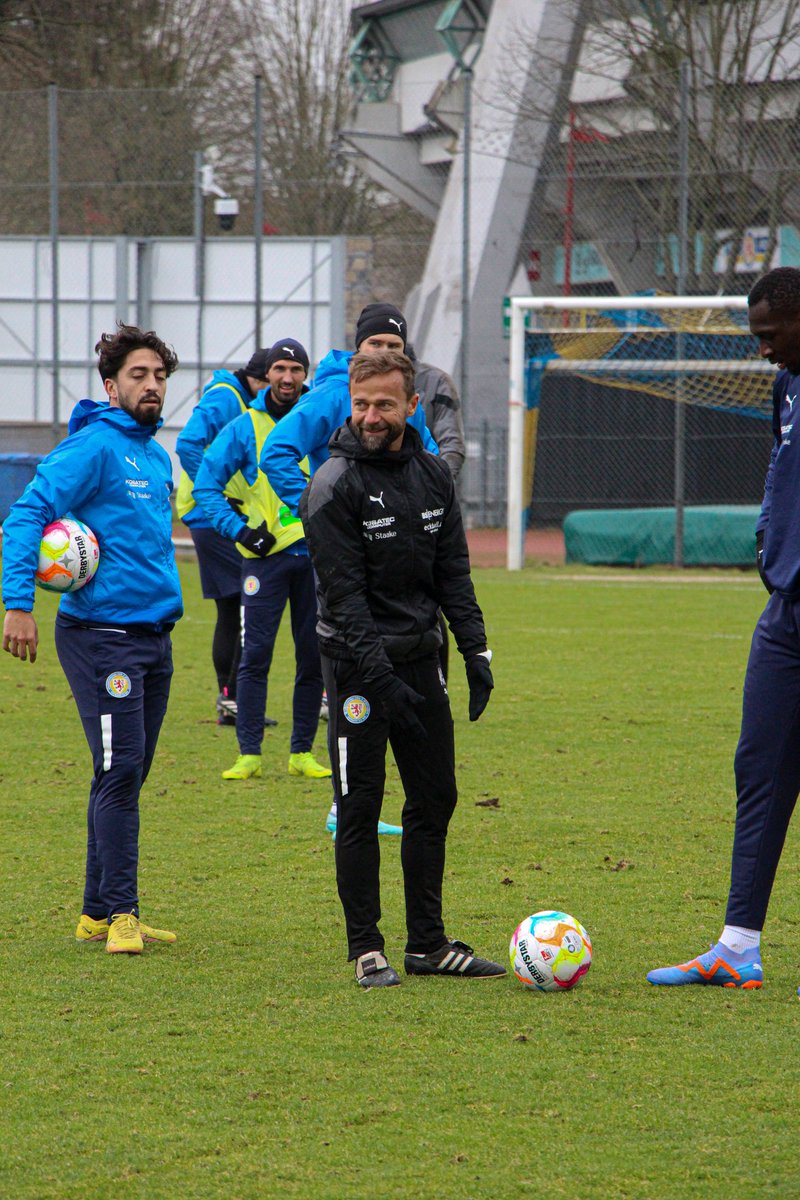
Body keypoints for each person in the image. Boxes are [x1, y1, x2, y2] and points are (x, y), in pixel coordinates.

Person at [299, 349, 504, 988]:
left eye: (385, 405)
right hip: (359, 672)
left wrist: (475, 650)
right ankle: (366, 947)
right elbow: (344, 599)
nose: (371, 417)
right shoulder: (333, 485)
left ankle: (429, 944)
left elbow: (452, 573)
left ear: (411, 406)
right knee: (358, 804)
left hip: (422, 663)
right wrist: (380, 678)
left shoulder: (432, 477)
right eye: (361, 405)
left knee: (435, 796)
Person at [2, 323, 182, 955]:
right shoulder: (94, 448)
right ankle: (123, 915)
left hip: (154, 637)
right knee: (119, 770)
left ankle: (94, 913)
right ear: (111, 386)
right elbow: (25, 513)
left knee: (123, 775)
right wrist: (17, 604)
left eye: (160, 376)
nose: (152, 385)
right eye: (139, 375)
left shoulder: (157, 455)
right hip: (101, 638)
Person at [647, 266, 800, 994]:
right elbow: (781, 468)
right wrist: (772, 540)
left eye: (771, 335)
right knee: (759, 769)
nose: (764, 350)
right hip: (786, 617)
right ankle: (738, 945)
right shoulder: (787, 388)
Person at [260, 303, 437, 837]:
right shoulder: (335, 395)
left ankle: (373, 799)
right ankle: (346, 803)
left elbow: (428, 470)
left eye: (395, 347)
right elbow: (276, 452)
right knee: (356, 672)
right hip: (348, 563)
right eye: (376, 344)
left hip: (403, 570)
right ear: (358, 347)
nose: (384, 353)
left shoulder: (406, 403)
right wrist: (318, 515)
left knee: (411, 683)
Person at [192, 338, 330, 782]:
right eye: (280, 369)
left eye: (296, 369)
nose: (288, 378)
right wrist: (239, 531)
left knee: (314, 655)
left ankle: (302, 752)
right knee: (255, 656)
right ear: (266, 375)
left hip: (315, 558)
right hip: (264, 560)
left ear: (305, 375)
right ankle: (249, 752)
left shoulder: (321, 420)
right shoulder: (244, 426)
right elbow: (205, 485)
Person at [175, 348, 276, 729]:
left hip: (216, 516)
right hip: (210, 517)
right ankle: (232, 699)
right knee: (245, 602)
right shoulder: (226, 397)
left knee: (234, 608)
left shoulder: (245, 401)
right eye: (273, 379)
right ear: (258, 379)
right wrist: (212, 487)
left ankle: (231, 702)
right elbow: (187, 444)